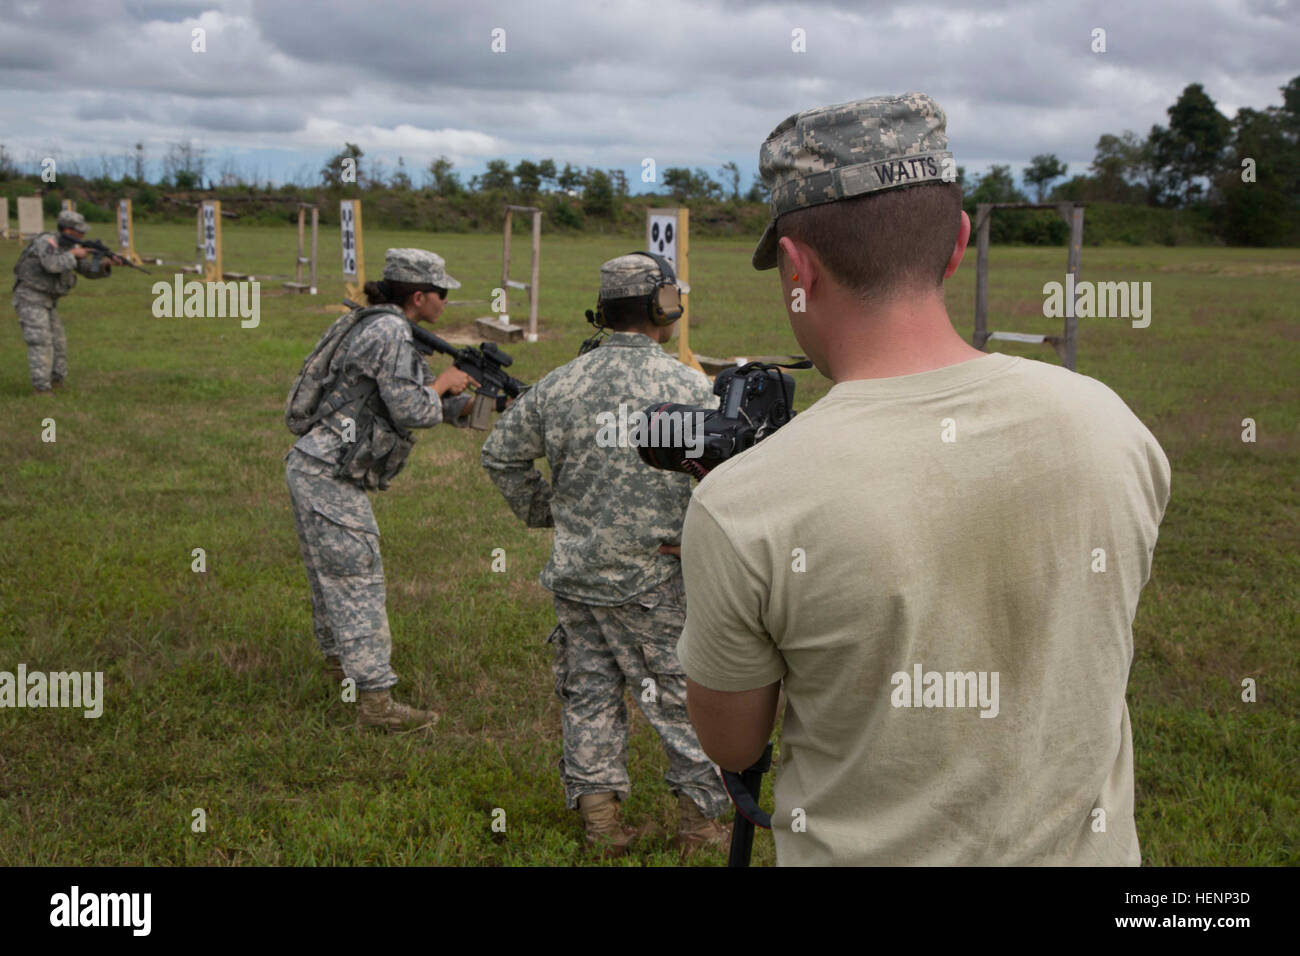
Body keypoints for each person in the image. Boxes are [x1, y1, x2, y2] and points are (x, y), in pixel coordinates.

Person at [677, 93, 1171, 866]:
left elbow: (733, 742)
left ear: (798, 266)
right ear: (957, 244)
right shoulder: (1110, 423)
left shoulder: (746, 504)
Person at [481, 253, 731, 857]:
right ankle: (700, 828)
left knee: (589, 696)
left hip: (578, 578)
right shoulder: (689, 387)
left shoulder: (559, 383)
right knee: (679, 703)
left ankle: (601, 826)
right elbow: (729, 478)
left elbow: (500, 454)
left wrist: (548, 512)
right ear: (661, 307)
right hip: (655, 579)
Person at [285, 248, 476, 731]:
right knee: (358, 581)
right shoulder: (391, 331)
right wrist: (445, 383)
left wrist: (457, 402)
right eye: (442, 293)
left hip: (313, 466)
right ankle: (376, 706)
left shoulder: (373, 321)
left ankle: (342, 670)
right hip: (330, 474)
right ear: (418, 296)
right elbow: (414, 410)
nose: (445, 302)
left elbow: (391, 403)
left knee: (333, 578)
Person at [11, 209, 120, 394]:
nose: (83, 234)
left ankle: (56, 381)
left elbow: (87, 271)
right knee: (40, 342)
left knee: (58, 342)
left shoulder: (69, 247)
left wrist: (106, 264)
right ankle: (41, 388)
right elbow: (51, 265)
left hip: (48, 300)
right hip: (30, 296)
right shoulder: (46, 241)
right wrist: (74, 254)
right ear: (68, 230)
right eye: (80, 230)